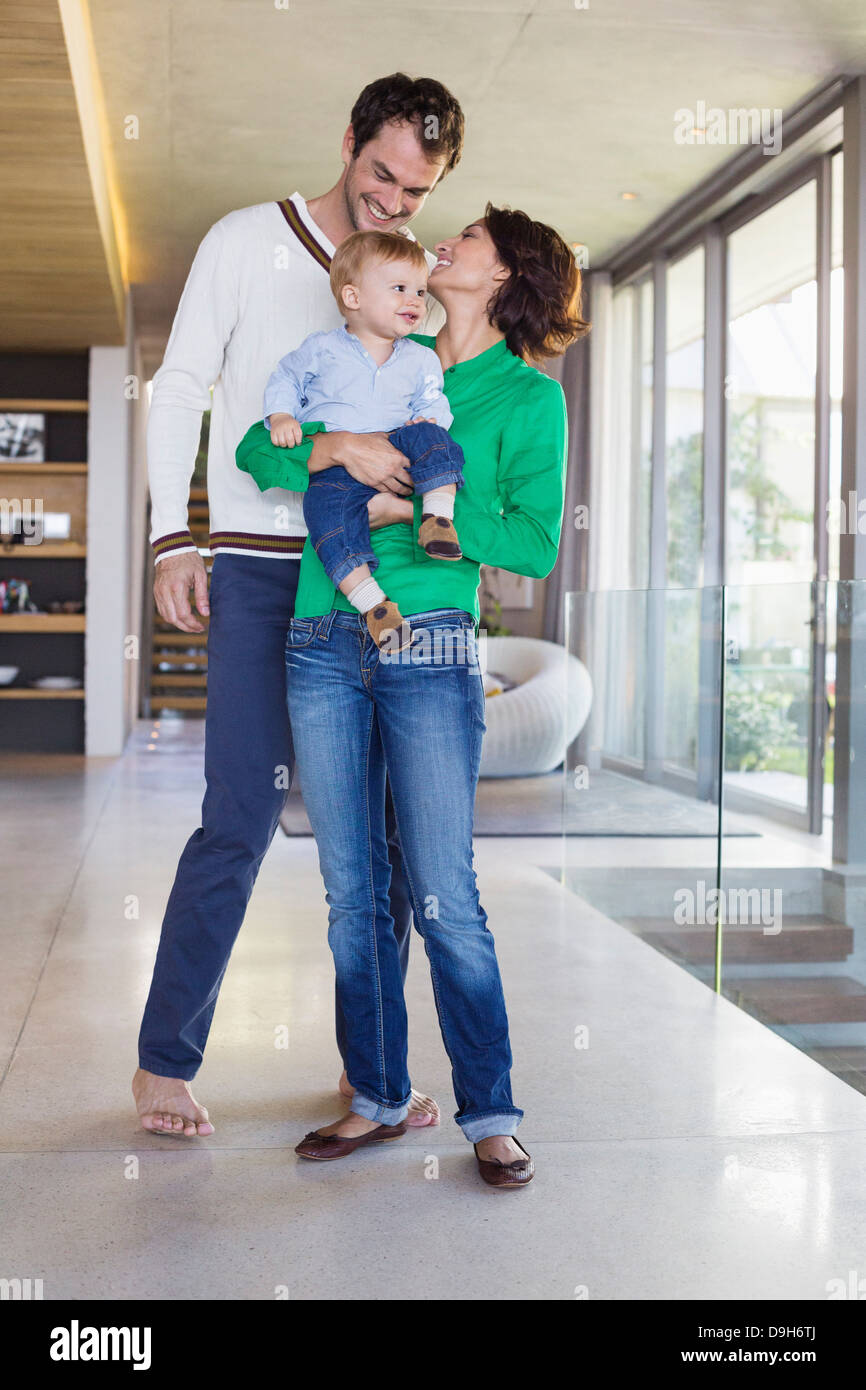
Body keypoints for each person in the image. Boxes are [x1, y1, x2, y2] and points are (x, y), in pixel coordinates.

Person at [133, 73, 465, 1139]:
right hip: (255, 563)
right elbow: (181, 385)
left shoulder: (404, 286)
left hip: (364, 578)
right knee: (237, 815)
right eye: (380, 175)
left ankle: (366, 1069)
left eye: (415, 191)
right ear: (348, 143)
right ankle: (163, 1062)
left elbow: (427, 427)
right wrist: (170, 533)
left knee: (376, 838)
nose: (392, 202)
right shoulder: (244, 241)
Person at [237, 203, 589, 1186]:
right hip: (321, 632)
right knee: (353, 894)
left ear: (506, 278)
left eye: (471, 239)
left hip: (429, 637)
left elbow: (528, 543)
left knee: (440, 890)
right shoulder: (373, 341)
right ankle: (378, 1097)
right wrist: (336, 448)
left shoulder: (524, 399)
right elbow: (258, 453)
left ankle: (489, 1110)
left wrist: (407, 501)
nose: (447, 240)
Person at [264, 230, 467, 651]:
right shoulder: (322, 349)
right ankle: (373, 605)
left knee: (437, 440)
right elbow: (285, 377)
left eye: (419, 291)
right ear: (353, 298)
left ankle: (437, 518)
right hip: (338, 471)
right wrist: (281, 415)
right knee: (326, 520)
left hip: (400, 443)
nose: (414, 300)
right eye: (399, 289)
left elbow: (435, 401)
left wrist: (431, 420)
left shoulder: (421, 357)